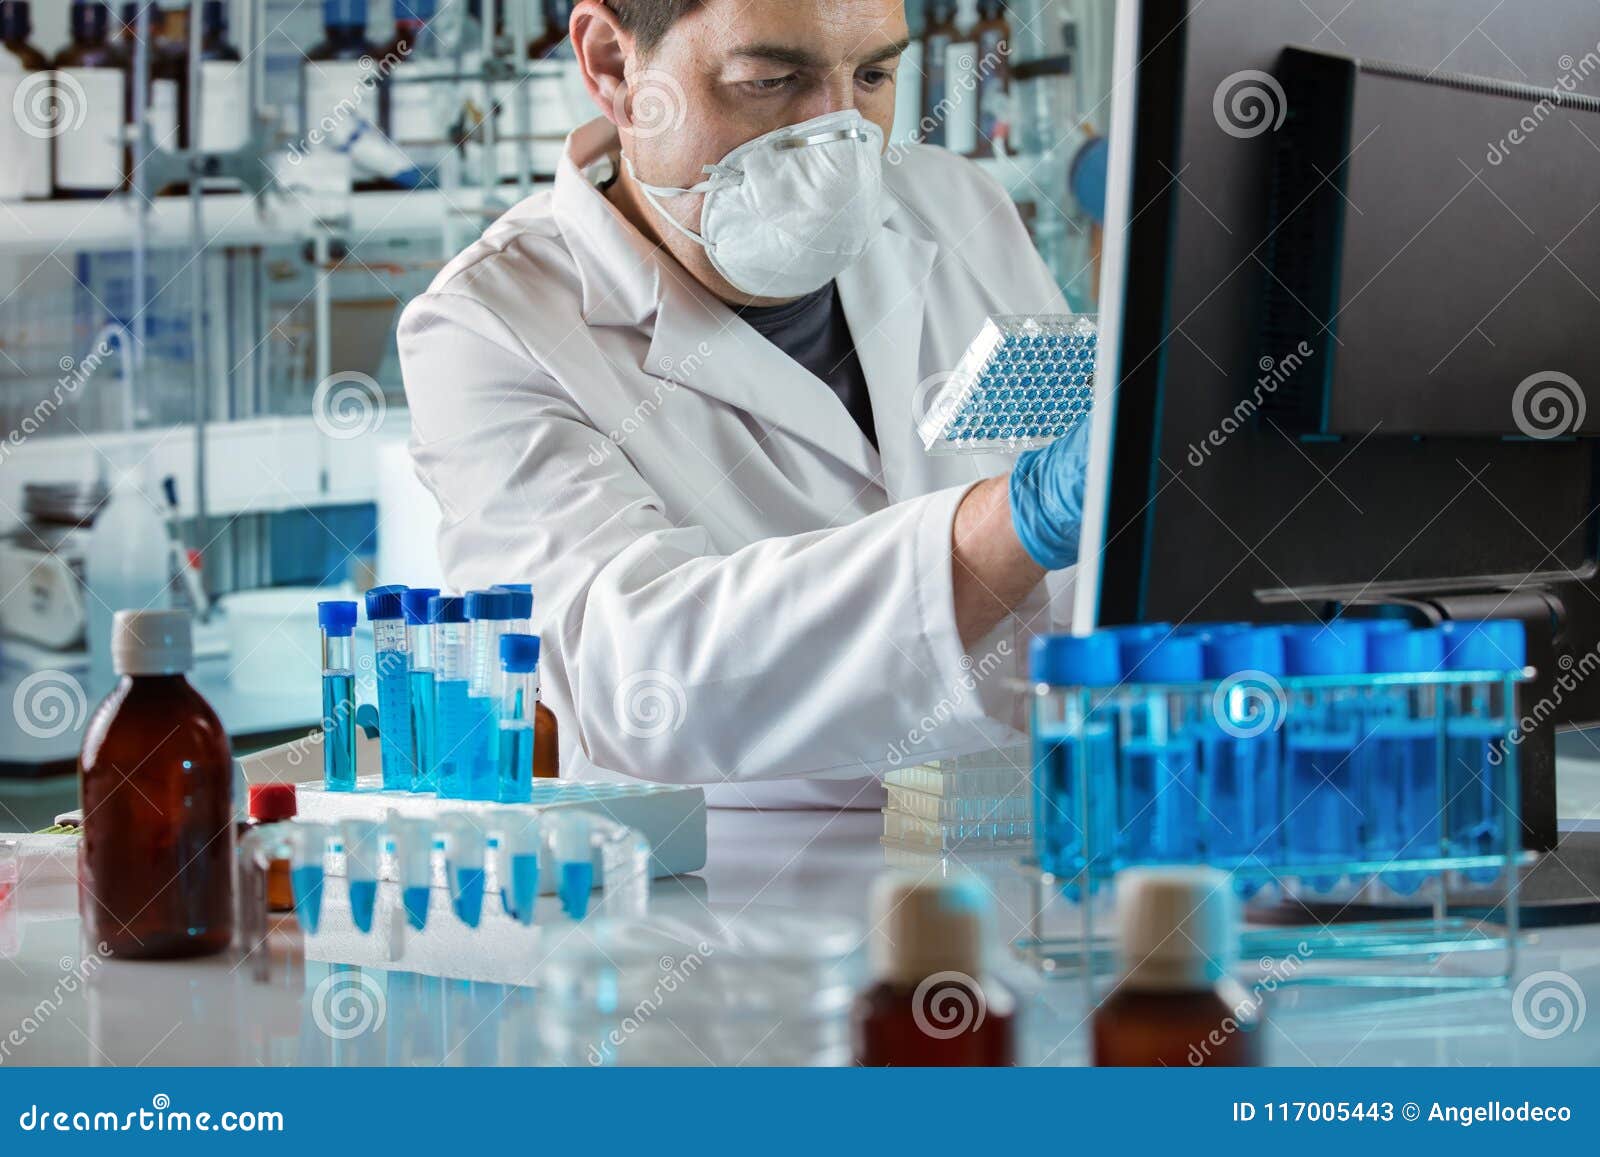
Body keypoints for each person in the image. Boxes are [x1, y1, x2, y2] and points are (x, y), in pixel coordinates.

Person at [398, 0, 1090, 808]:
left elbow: (1102, 581)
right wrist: (1017, 521)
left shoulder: (953, 204)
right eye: (769, 81)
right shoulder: (493, 322)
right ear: (615, 68)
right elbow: (632, 673)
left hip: (1034, 853)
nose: (839, 139)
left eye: (873, 75)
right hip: (730, 898)